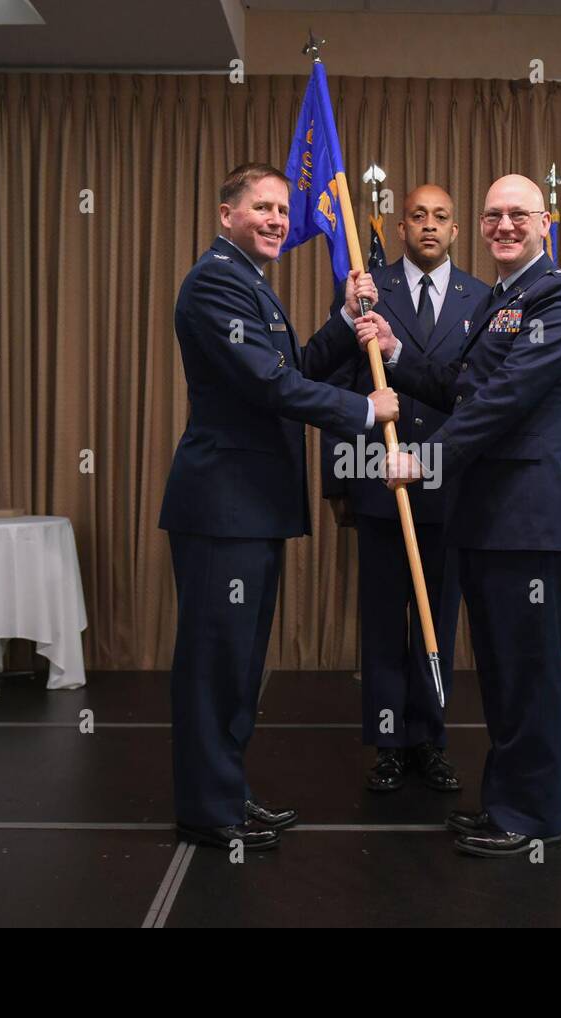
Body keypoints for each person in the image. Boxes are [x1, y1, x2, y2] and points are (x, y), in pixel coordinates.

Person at [355, 174, 561, 857]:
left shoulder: (560, 295)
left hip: (530, 523)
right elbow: (461, 385)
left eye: (517, 214)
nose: (503, 225)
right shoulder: (502, 299)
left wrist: (425, 460)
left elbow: (504, 402)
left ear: (545, 220)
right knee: (499, 675)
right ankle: (506, 802)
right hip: (487, 521)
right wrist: (397, 354)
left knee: (528, 676)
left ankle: (530, 817)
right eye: (493, 215)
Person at [159, 162, 397, 852]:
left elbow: (291, 369)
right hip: (222, 509)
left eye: (283, 211)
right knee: (214, 662)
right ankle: (207, 810)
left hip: (252, 508)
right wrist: (364, 406)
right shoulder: (214, 283)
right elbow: (270, 386)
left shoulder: (249, 285)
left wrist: (346, 318)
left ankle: (227, 791)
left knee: (239, 662)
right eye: (261, 207)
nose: (276, 220)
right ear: (226, 213)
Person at [321, 184, 481, 794]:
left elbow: (478, 396)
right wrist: (340, 480)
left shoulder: (482, 298)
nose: (430, 226)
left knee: (438, 621)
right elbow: (334, 385)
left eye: (442, 216)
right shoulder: (368, 290)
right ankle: (389, 742)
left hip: (447, 486)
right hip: (378, 483)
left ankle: (430, 742)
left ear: (456, 229)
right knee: (385, 623)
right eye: (418, 216)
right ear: (402, 224)